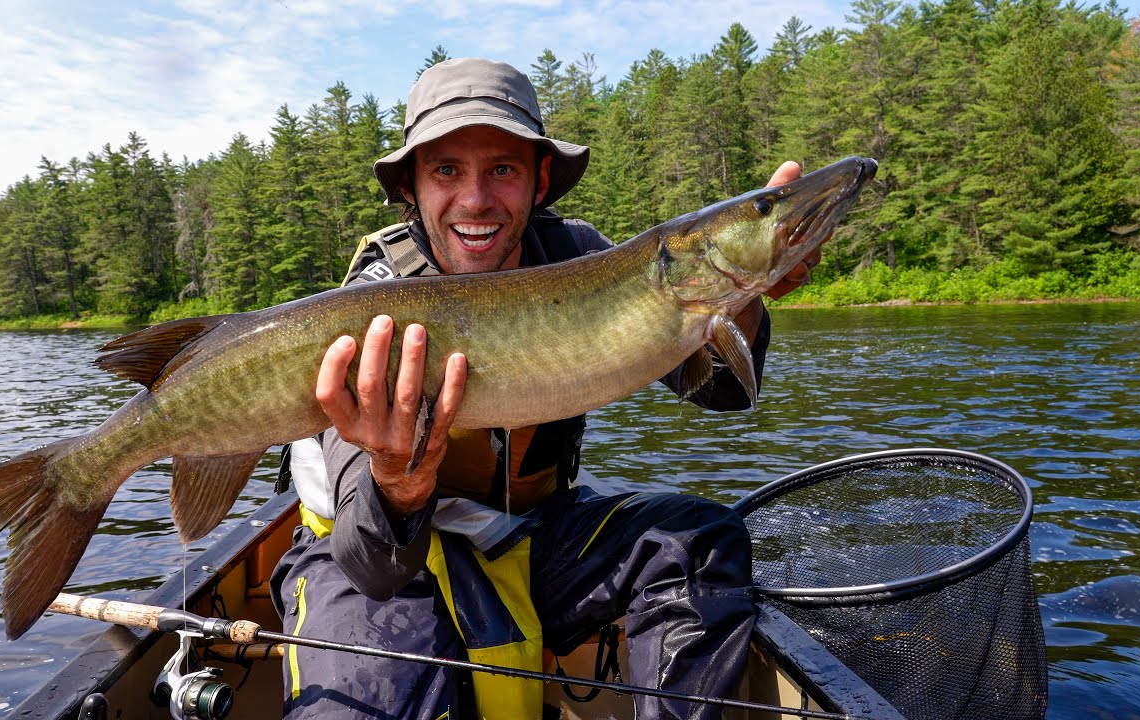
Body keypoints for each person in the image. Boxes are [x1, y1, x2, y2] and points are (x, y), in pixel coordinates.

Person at [269, 57, 819, 720]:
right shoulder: (369, 310)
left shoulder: (581, 258)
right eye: (447, 171)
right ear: (410, 187)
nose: (476, 200)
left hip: (529, 537)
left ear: (541, 180)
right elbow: (373, 566)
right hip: (377, 556)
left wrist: (743, 289)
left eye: (503, 168)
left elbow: (723, 392)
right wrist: (397, 480)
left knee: (699, 541)